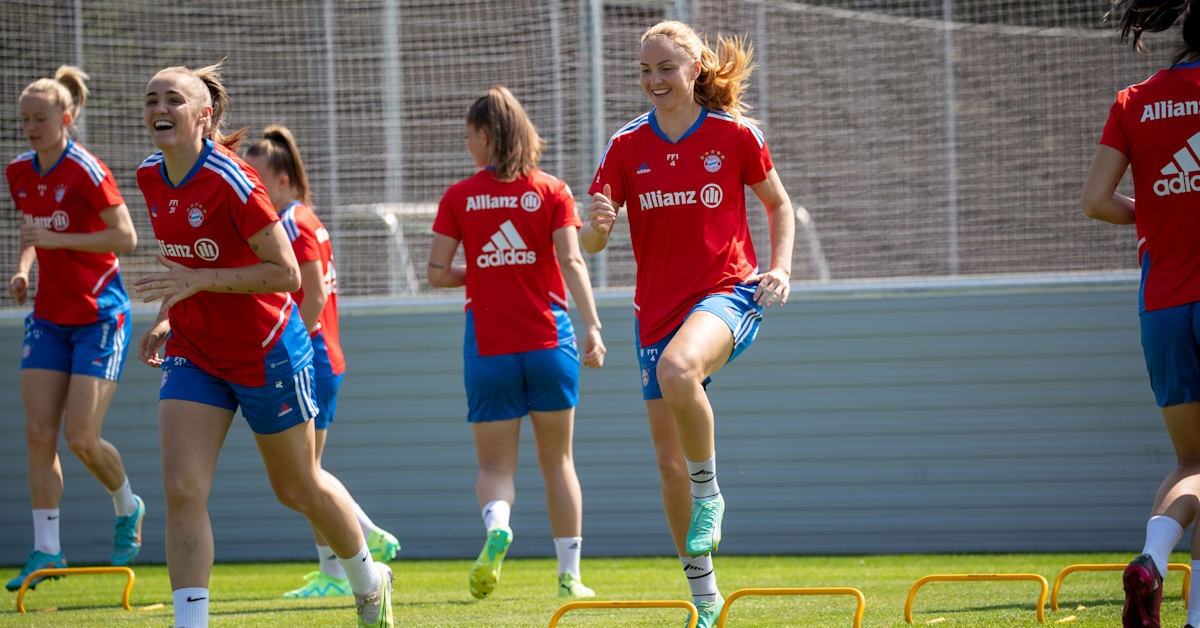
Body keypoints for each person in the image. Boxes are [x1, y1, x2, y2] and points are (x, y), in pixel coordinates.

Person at [134, 62, 392, 628]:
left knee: (297, 487)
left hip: (266, 347)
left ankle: (370, 580)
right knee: (181, 488)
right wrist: (165, 315)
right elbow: (183, 258)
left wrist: (198, 282)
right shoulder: (150, 175)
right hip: (195, 350)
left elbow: (287, 275)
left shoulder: (233, 181)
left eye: (172, 100)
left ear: (204, 115)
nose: (158, 109)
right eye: (151, 99)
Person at [582, 21, 795, 628]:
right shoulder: (625, 146)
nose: (653, 80)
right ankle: (705, 602)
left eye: (665, 69)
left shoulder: (734, 135)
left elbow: (778, 206)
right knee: (668, 465)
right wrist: (596, 224)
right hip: (656, 311)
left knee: (680, 371)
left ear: (696, 68)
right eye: (644, 70)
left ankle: (712, 492)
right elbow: (591, 242)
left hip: (727, 293)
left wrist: (779, 268)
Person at [428, 86, 607, 600]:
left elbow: (436, 273)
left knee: (494, 468)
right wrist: (593, 327)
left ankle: (498, 525)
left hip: (489, 349)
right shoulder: (552, 191)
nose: (468, 148)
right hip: (550, 342)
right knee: (560, 463)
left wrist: (483, 270)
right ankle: (570, 576)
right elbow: (573, 262)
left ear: (485, 137)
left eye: (469, 138)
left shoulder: (460, 197)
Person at [244, 125, 401, 599]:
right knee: (307, 471)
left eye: (258, 177)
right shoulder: (297, 219)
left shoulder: (294, 221)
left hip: (310, 355)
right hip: (318, 354)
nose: (251, 187)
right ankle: (349, 552)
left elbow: (310, 296)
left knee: (305, 474)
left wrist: (285, 345)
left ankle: (349, 558)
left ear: (285, 181)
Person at [5, 65, 145, 591]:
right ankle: (47, 550)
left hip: (99, 316)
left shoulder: (87, 170)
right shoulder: (19, 171)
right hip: (48, 316)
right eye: (24, 120)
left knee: (81, 436)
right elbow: (32, 228)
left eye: (40, 118)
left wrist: (58, 243)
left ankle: (127, 506)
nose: (31, 127)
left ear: (66, 118)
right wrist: (24, 266)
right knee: (38, 434)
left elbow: (125, 237)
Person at [1085, 3, 1200, 627]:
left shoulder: (1134, 101)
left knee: (1194, 463)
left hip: (1163, 306)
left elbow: (1095, 202)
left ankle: (1154, 564)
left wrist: (1157, 214)